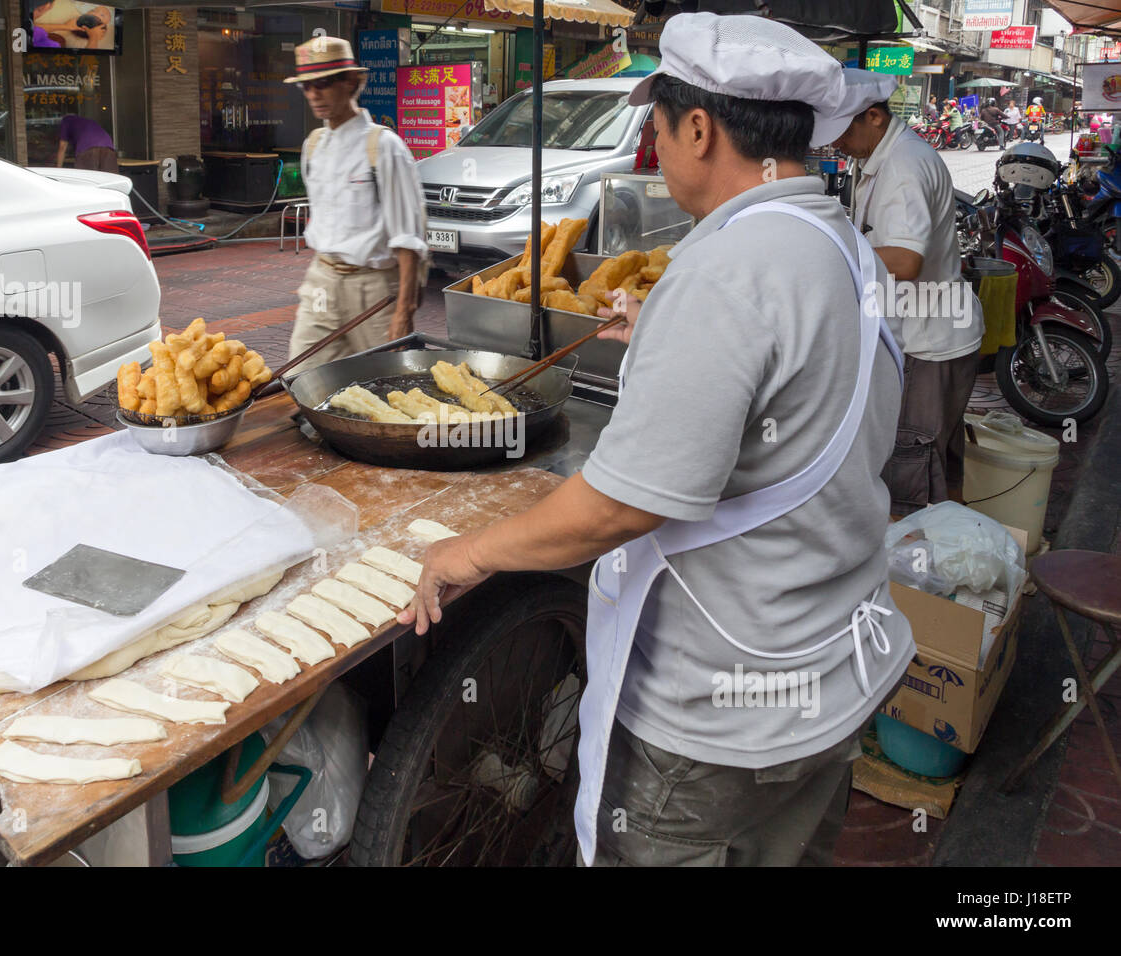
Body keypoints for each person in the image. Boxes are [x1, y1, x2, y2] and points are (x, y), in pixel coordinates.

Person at [398, 12, 913, 867]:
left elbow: (625, 502)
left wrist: (473, 552)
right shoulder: (834, 241)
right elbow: (792, 378)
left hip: (718, 720)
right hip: (827, 683)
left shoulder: (727, 269)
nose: (657, 146)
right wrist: (663, 335)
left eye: (659, 125)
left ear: (701, 129)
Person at [832, 70, 983, 515]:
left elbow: (904, 261)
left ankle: (917, 574)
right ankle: (951, 565)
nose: (836, 143)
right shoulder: (885, 156)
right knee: (938, 466)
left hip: (926, 345)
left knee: (910, 473)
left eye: (842, 130)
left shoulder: (903, 165)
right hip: (937, 336)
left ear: (874, 117)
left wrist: (834, 254)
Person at [283, 36, 426, 371]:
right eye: (306, 86)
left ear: (350, 82)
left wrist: (404, 311)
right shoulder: (314, 145)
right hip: (323, 279)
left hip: (373, 287)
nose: (314, 94)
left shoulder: (383, 146)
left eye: (323, 83)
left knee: (385, 384)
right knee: (302, 375)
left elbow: (408, 238)